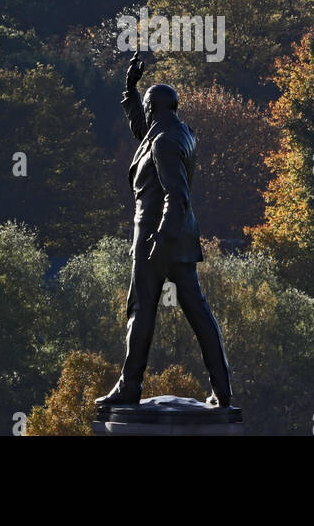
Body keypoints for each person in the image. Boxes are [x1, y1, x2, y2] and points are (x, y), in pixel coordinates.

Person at [95, 55, 233, 407]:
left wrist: (159, 238)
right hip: (180, 238)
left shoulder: (163, 142)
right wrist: (130, 89)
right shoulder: (179, 133)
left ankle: (130, 386)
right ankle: (222, 388)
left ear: (153, 108)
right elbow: (144, 135)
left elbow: (176, 194)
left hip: (157, 236)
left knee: (141, 309)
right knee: (198, 312)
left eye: (144, 105)